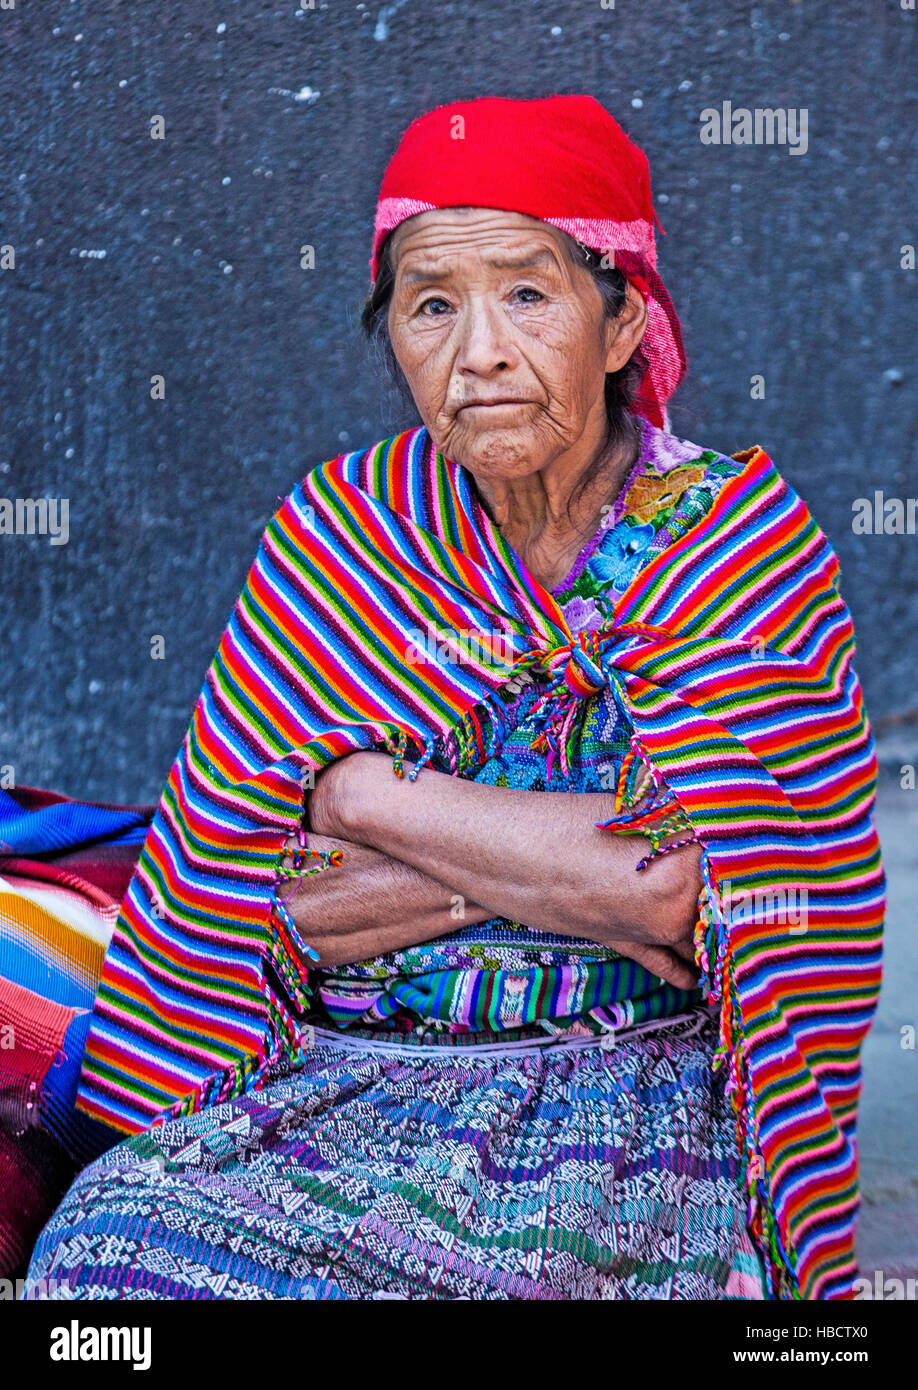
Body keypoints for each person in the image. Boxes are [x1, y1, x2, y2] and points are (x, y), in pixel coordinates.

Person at [24, 94, 884, 1302]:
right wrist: (572, 871)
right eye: (432, 304)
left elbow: (710, 887)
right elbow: (254, 905)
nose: (479, 351)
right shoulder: (342, 532)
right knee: (105, 1265)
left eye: (528, 294)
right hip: (335, 1084)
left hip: (632, 1099)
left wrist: (355, 792)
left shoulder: (739, 542)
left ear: (624, 315)